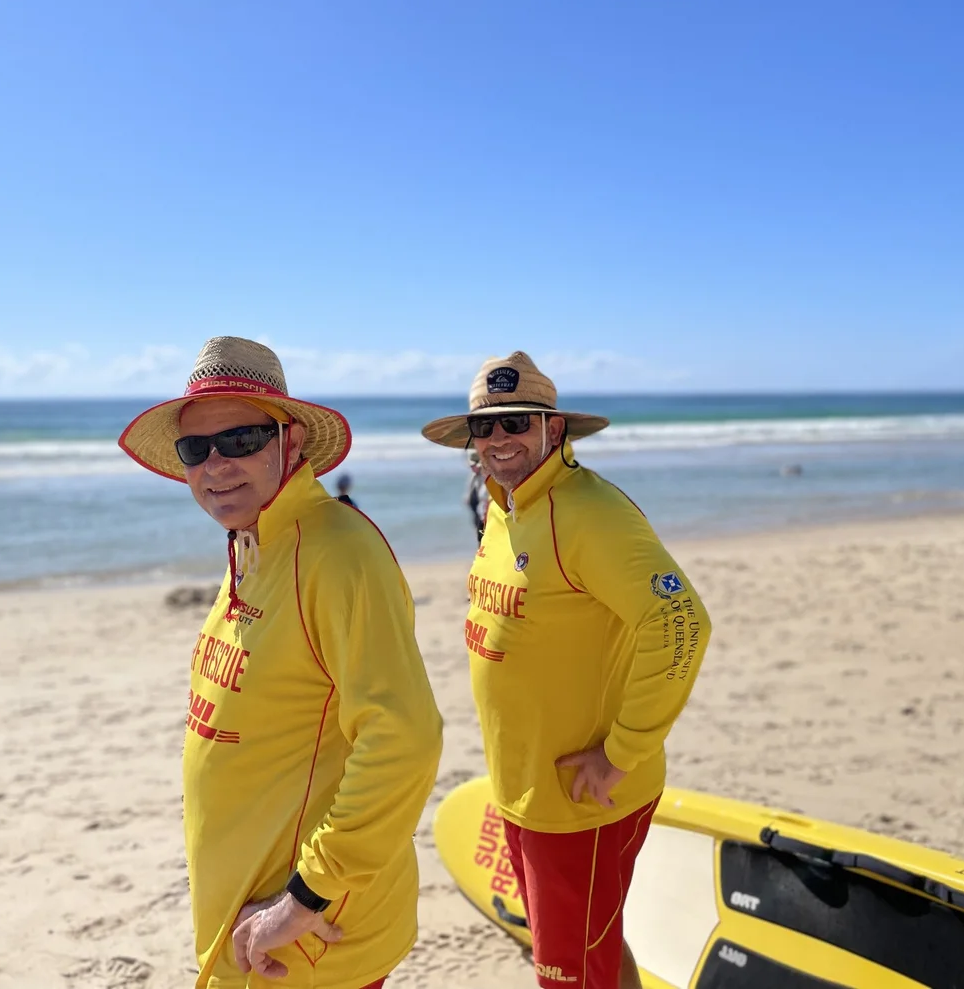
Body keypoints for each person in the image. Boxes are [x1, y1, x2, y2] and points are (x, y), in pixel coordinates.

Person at [120, 336, 443, 989]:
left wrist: (304, 897)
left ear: (290, 442)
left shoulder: (337, 551)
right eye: (195, 449)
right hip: (247, 921)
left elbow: (404, 739)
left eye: (241, 440)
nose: (216, 465)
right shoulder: (252, 541)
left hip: (303, 940)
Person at [421, 352, 712, 989]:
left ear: (554, 430)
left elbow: (681, 622)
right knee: (592, 949)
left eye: (517, 422)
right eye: (484, 427)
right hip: (525, 788)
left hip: (579, 801)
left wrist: (623, 751)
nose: (499, 439)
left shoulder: (588, 512)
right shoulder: (506, 506)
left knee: (569, 973)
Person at [463, 451, 488, 543]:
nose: (471, 468)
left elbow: (484, 495)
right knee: (478, 533)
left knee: (483, 536)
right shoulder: (473, 475)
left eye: (472, 466)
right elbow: (469, 488)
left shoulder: (485, 475)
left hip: (484, 512)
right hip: (478, 510)